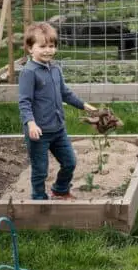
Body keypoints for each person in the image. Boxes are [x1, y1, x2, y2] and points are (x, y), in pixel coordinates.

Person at [18, 22, 96, 200]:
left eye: (51, 46)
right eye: (42, 46)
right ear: (30, 48)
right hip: (39, 131)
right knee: (40, 169)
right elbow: (24, 102)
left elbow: (65, 93)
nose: (48, 50)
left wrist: (84, 105)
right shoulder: (29, 73)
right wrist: (30, 123)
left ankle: (60, 189)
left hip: (58, 129)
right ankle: (38, 198)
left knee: (69, 162)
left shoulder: (55, 69)